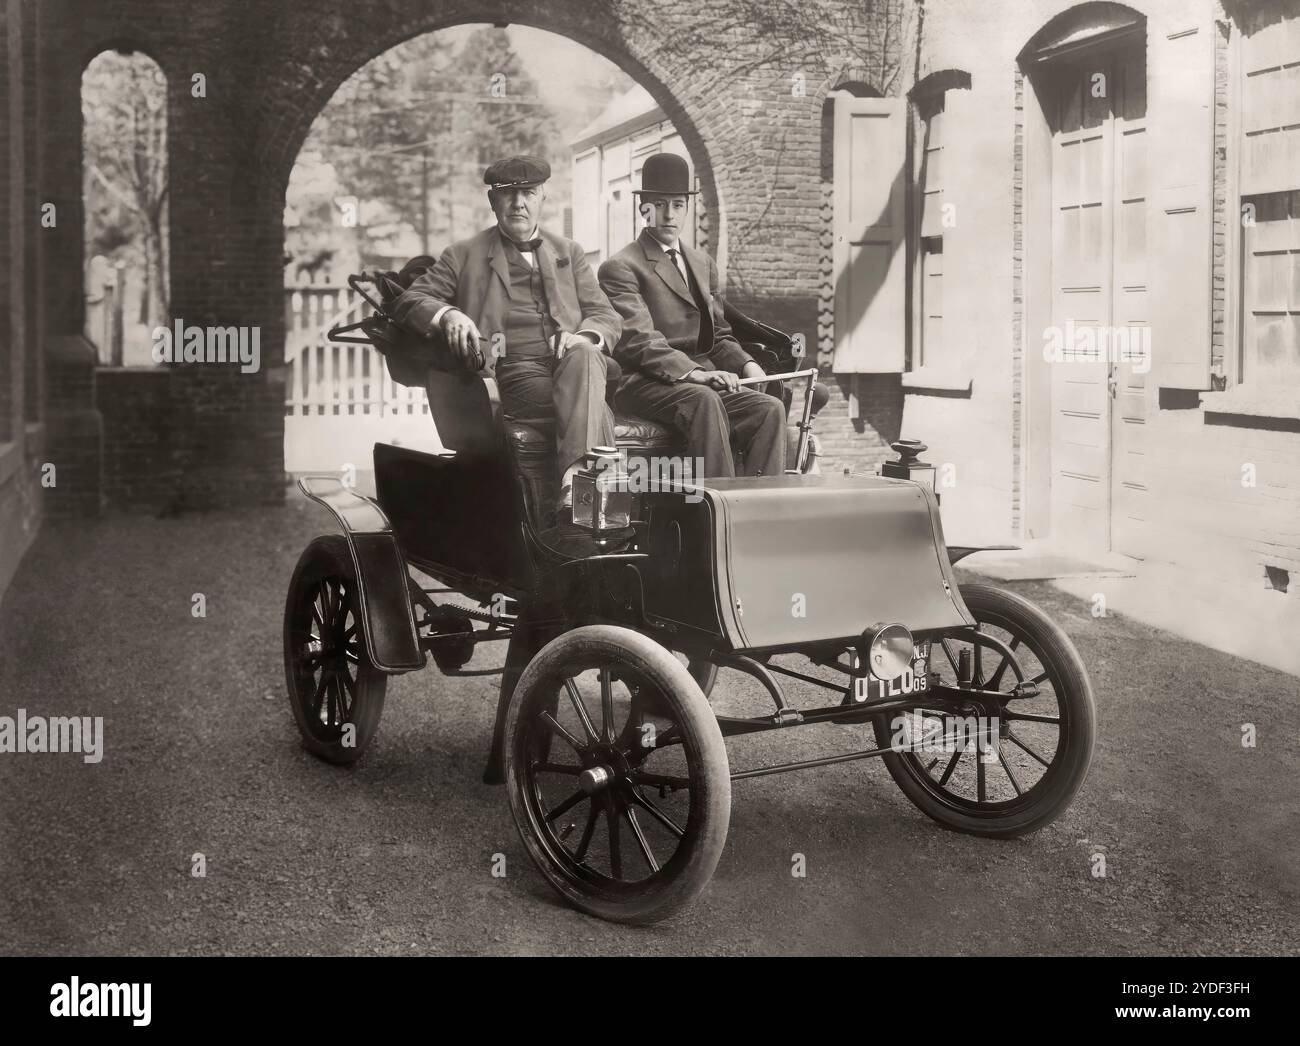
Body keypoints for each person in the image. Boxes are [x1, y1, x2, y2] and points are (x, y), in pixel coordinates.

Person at [391, 154, 621, 511]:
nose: (518, 203)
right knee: (595, 404)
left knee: (588, 355)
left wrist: (585, 336)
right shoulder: (463, 254)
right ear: (493, 201)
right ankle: (595, 498)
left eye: (528, 192)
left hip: (574, 366)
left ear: (542, 197)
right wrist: (449, 315)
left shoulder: (569, 252)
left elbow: (604, 314)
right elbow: (409, 301)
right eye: (508, 194)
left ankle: (579, 491)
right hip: (513, 372)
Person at [598, 152, 785, 479]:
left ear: (687, 207)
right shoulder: (621, 267)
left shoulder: (702, 263)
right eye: (659, 205)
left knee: (769, 409)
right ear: (644, 209)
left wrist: (748, 366)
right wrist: (696, 374)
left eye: (678, 205)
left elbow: (719, 336)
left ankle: (762, 509)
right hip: (644, 382)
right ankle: (720, 512)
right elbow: (640, 342)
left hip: (699, 381)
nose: (669, 214)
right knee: (705, 401)